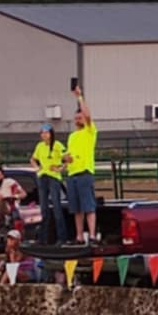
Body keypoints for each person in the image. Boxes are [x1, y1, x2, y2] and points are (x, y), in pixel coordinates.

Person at [65, 87, 99, 242]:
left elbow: (88, 115)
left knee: (88, 206)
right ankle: (79, 235)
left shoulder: (89, 131)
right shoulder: (71, 136)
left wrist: (80, 97)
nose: (78, 120)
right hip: (72, 174)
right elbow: (69, 155)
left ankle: (91, 234)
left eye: (80, 117)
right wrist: (66, 161)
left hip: (85, 173)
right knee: (76, 208)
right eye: (76, 118)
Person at [31, 124, 68, 245]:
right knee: (43, 208)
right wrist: (37, 168)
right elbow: (33, 158)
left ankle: (61, 238)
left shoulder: (57, 145)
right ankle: (43, 238)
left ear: (51, 134)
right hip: (42, 177)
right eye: (42, 133)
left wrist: (61, 168)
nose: (43, 135)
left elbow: (67, 158)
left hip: (53, 177)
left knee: (56, 207)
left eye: (46, 133)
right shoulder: (40, 146)